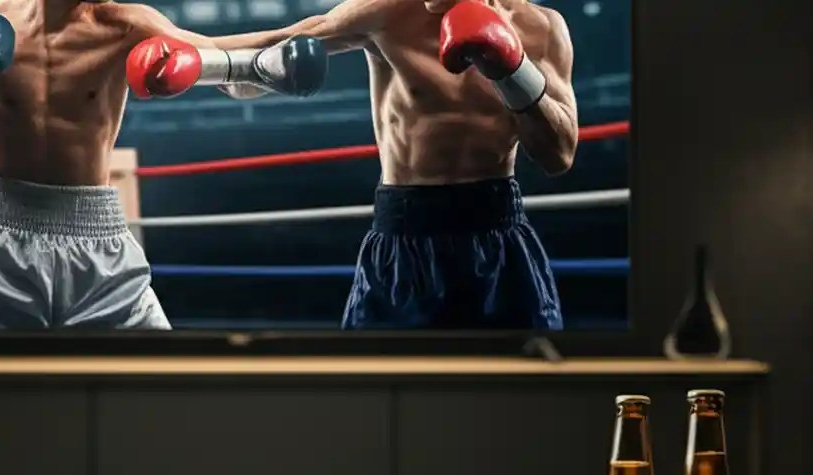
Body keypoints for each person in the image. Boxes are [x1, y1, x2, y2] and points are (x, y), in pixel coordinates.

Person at [142, 0, 575, 330]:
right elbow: (275, 47)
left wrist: (512, 69)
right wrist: (189, 61)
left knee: (519, 379)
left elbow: (559, 154)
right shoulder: (387, 12)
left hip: (498, 235)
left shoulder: (543, 29)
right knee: (374, 386)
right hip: (405, 234)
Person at [0, 1, 327, 330]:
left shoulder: (125, 25)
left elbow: (225, 66)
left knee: (160, 391)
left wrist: (289, 54)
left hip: (97, 242)